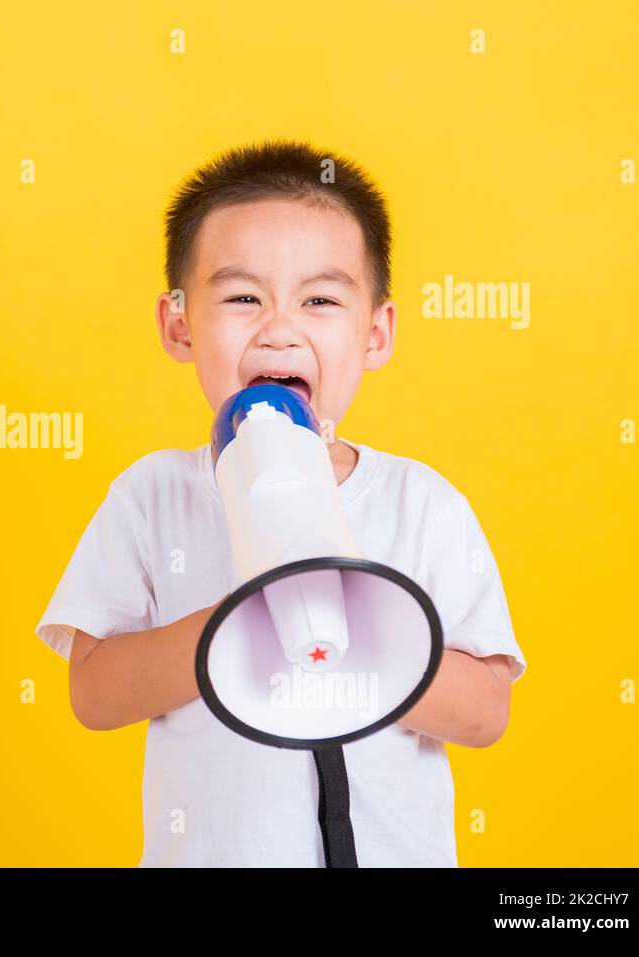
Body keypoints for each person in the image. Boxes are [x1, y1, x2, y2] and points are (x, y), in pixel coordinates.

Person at [35, 139, 527, 867]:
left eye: (321, 299)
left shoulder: (424, 504)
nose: (279, 327)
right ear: (178, 325)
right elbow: (94, 692)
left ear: (376, 333)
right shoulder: (154, 495)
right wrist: (237, 621)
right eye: (241, 297)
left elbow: (486, 712)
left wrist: (361, 621)